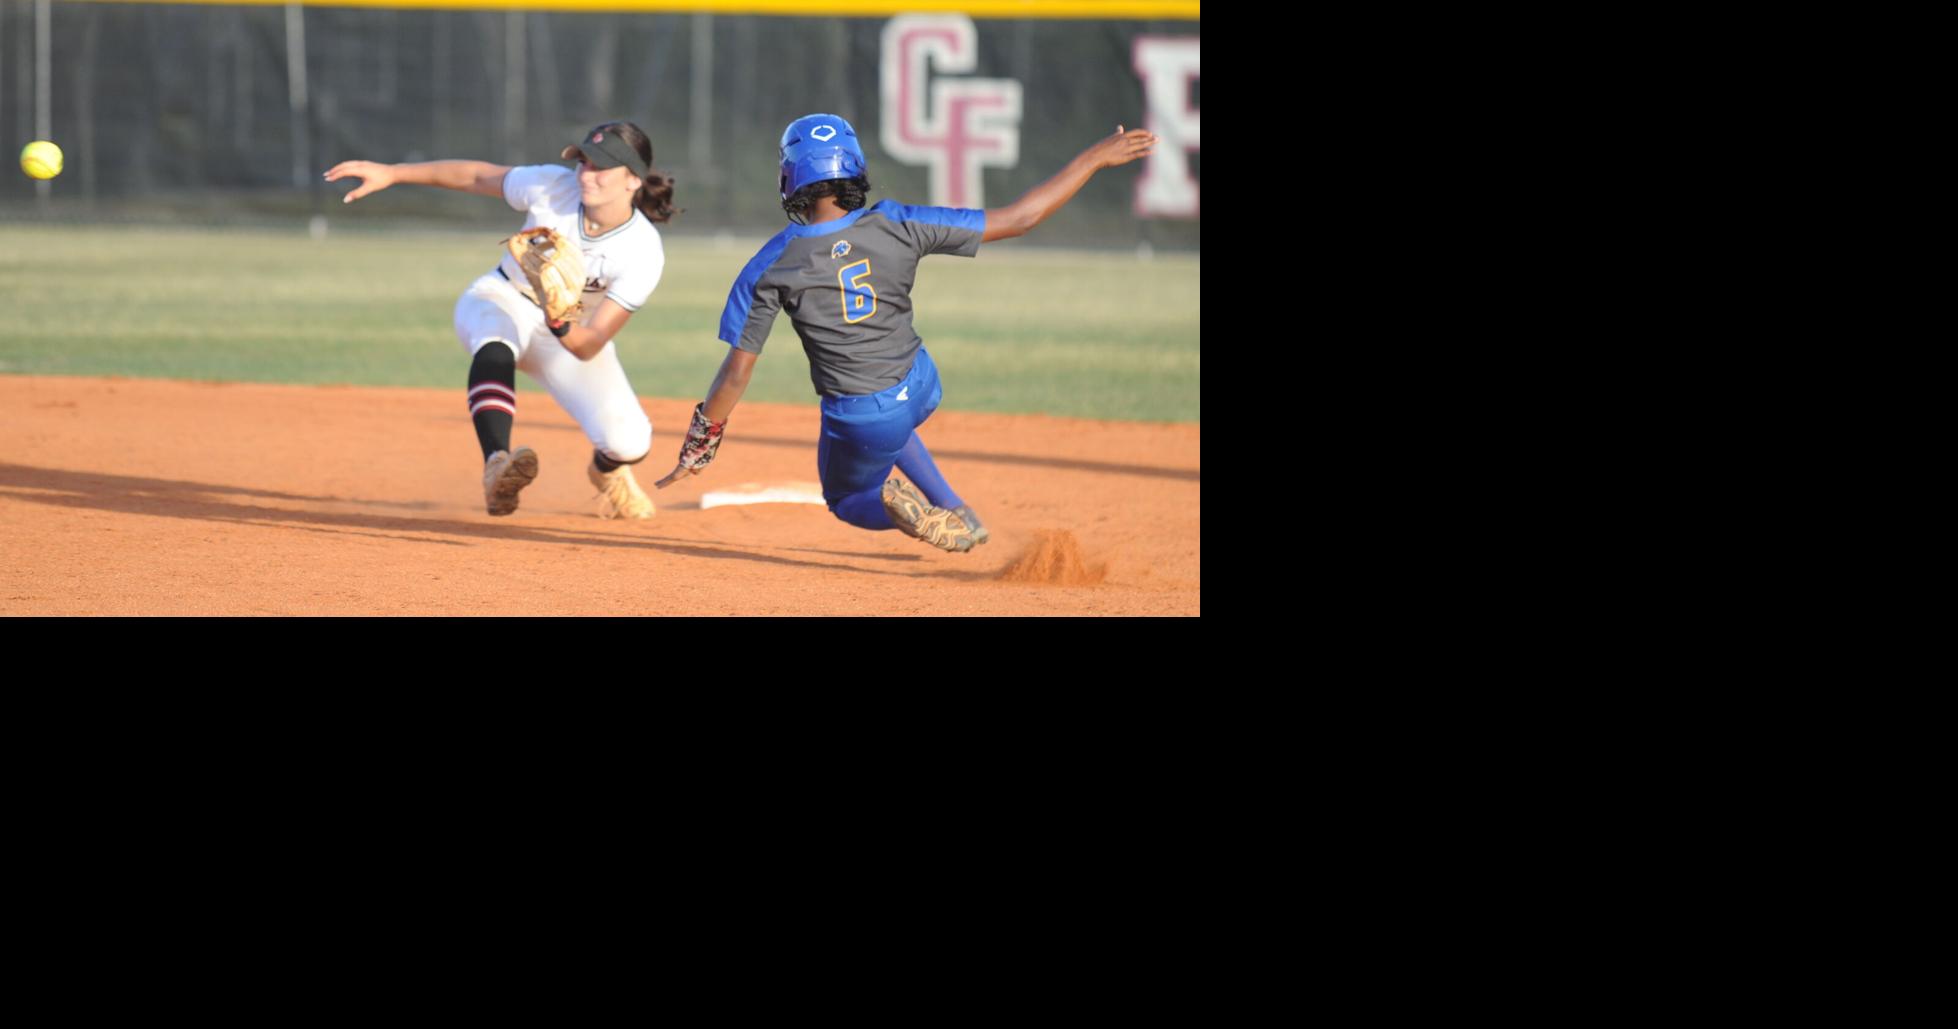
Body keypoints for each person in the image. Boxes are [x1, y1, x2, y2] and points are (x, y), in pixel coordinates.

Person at [656, 113, 1156, 551]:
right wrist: (1094, 157)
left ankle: (906, 515)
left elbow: (737, 372)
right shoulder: (897, 222)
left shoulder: (771, 264)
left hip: (860, 413)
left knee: (847, 499)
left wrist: (700, 445)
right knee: (897, 424)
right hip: (921, 382)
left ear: (790, 178)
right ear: (853, 169)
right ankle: (957, 510)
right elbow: (1021, 218)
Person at [323, 121, 676, 519]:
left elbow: (590, 344)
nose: (586, 174)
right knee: (496, 343)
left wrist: (557, 318)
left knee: (629, 443)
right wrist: (393, 173)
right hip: (502, 297)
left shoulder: (642, 250)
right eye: (584, 162)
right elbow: (476, 175)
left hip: (569, 332)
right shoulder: (550, 186)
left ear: (633, 179)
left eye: (601, 167)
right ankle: (497, 465)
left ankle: (606, 474)